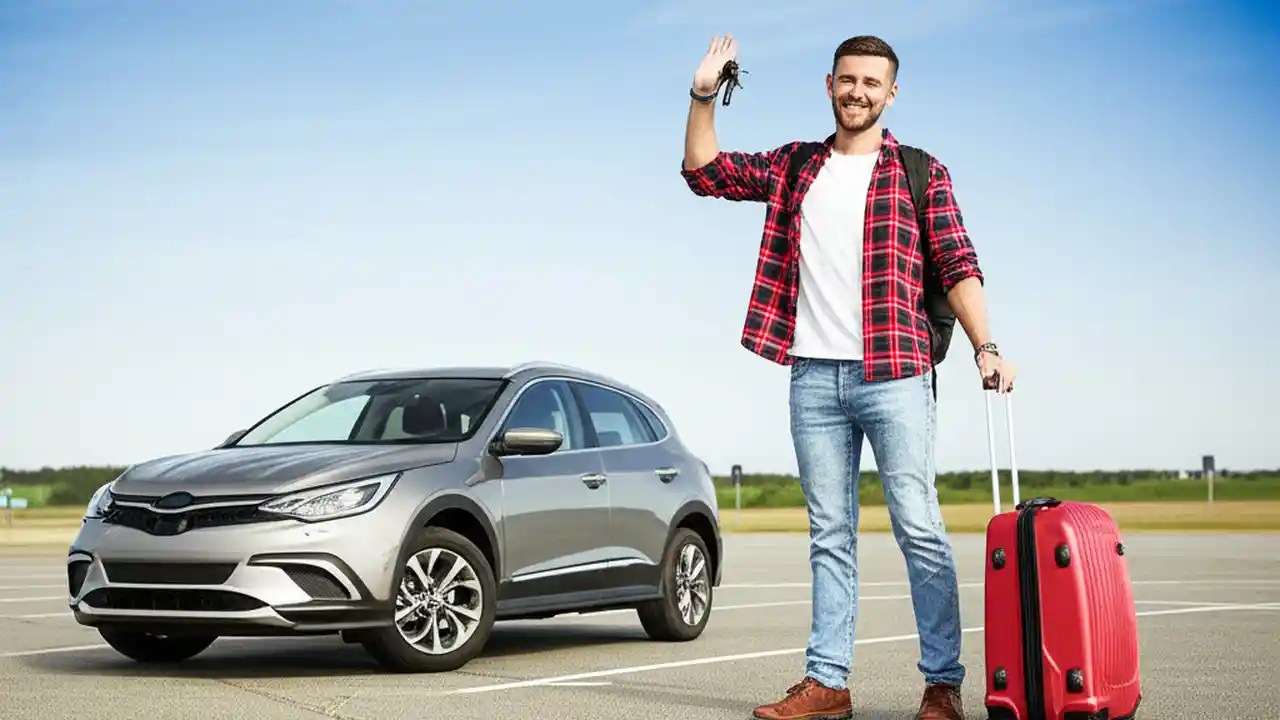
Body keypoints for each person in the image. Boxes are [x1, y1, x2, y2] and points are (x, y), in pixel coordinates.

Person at [680, 33, 1017, 720]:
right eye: (848, 80)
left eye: (873, 83)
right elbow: (704, 170)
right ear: (829, 83)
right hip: (813, 378)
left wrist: (986, 345)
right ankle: (828, 684)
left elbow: (957, 264)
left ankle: (942, 684)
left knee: (917, 524)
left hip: (896, 372)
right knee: (828, 533)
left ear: (891, 94)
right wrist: (703, 92)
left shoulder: (920, 172)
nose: (858, 92)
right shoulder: (794, 166)